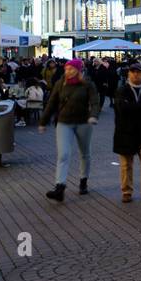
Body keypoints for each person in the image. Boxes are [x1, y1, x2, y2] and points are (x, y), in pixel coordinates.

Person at [40, 58, 100, 202]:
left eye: (71, 69)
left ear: (78, 70)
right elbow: (52, 103)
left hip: (83, 123)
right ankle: (60, 186)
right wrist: (43, 121)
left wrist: (93, 116)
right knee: (63, 155)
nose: (68, 71)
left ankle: (83, 180)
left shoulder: (87, 84)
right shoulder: (60, 84)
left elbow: (95, 102)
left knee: (85, 153)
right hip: (64, 122)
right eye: (67, 69)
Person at [112, 63, 141, 203]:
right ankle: (126, 191)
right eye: (132, 72)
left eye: (138, 72)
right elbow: (123, 109)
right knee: (126, 164)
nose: (135, 74)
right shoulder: (122, 90)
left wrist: (136, 108)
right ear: (128, 74)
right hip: (125, 132)